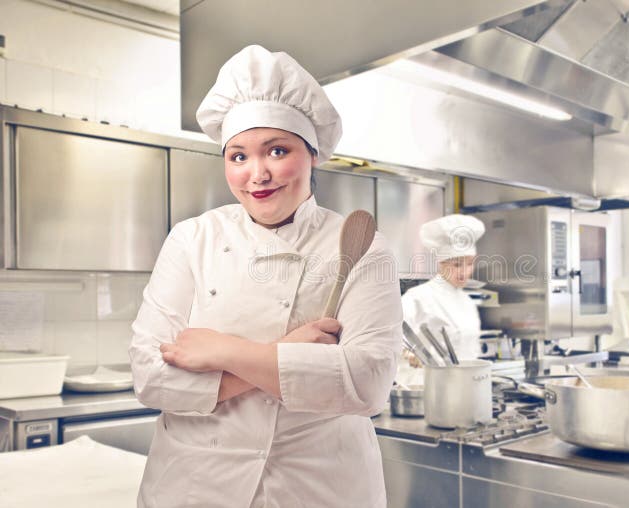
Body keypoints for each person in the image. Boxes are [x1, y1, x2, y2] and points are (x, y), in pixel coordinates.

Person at [129, 45, 402, 508]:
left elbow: (367, 382)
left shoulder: (359, 244)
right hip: (195, 485)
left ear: (313, 155)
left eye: (278, 150)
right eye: (238, 156)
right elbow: (150, 377)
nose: (257, 174)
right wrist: (284, 354)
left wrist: (227, 352)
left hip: (316, 488)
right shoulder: (192, 238)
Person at [398, 215, 485, 385]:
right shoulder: (418, 297)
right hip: (427, 387)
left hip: (466, 386)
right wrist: (407, 353)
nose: (464, 272)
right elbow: (389, 335)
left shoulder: (467, 302)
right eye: (457, 265)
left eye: (469, 264)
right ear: (441, 264)